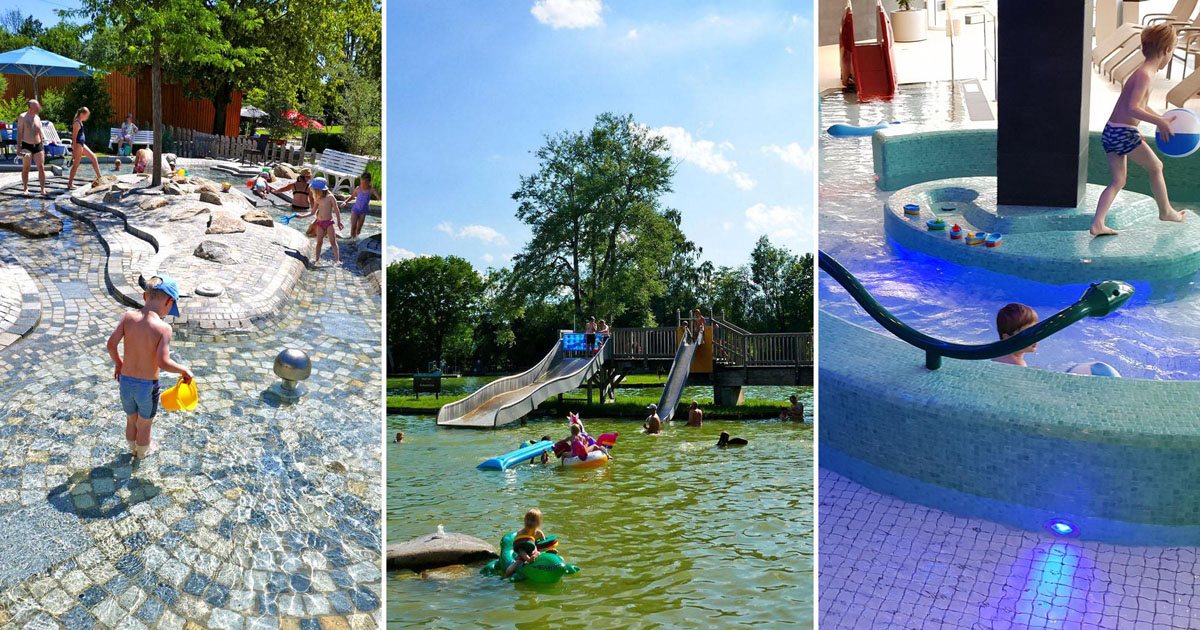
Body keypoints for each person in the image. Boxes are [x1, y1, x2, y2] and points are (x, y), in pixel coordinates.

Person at [1091, 24, 1186, 236]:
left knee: (1118, 181)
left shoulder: (1143, 72)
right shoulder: (1145, 75)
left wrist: (1160, 117)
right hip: (1124, 132)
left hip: (1112, 131)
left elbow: (1140, 106)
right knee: (1156, 166)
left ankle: (1098, 223)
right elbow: (1133, 108)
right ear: (1167, 50)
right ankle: (1166, 211)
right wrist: (1159, 123)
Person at [105, 275, 193, 459]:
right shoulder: (163, 329)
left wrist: (119, 365)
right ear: (169, 302)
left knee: (131, 420)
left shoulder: (128, 317)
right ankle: (141, 455)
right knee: (144, 425)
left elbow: (111, 345)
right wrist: (183, 370)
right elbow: (163, 362)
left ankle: (131, 450)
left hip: (126, 383)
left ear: (145, 297)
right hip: (147, 387)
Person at [295, 177, 343, 266]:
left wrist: (339, 222)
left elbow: (336, 210)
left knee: (332, 241)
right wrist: (302, 216)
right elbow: (313, 212)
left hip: (329, 223)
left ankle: (337, 260)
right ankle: (317, 260)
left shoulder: (330, 197)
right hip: (320, 223)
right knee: (319, 242)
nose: (313, 191)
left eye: (314, 190)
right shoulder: (317, 198)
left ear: (320, 189)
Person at [67, 107, 103, 190]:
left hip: (82, 144)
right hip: (78, 145)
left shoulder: (80, 121)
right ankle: (70, 184)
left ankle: (100, 178)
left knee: (94, 157)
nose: (87, 117)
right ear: (82, 114)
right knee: (76, 165)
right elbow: (74, 137)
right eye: (86, 115)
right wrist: (74, 150)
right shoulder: (77, 123)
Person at [504, 508, 546, 578]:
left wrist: (548, 549)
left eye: (532, 520)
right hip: (523, 554)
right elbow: (520, 550)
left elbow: (543, 545)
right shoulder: (521, 534)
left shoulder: (539, 533)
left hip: (535, 552)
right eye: (527, 519)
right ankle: (505, 581)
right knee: (509, 571)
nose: (529, 522)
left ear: (538, 522)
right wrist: (528, 559)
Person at [994, 303, 1039, 367]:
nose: (1035, 336)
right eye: (1028, 332)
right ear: (1008, 338)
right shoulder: (1017, 364)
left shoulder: (997, 354)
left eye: (1036, 330)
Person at [17, 99, 46, 196]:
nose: (38, 108)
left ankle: (42, 189)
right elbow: (19, 132)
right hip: (26, 146)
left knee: (41, 167)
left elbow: (39, 132)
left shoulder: (37, 118)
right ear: (30, 107)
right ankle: (25, 188)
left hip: (37, 146)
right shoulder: (22, 117)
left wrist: (42, 144)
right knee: (26, 167)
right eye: (36, 106)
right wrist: (18, 147)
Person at [348, 171, 379, 238]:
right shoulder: (358, 188)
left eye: (365, 183)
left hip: (363, 212)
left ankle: (355, 240)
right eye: (361, 183)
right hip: (355, 210)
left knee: (358, 230)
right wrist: (345, 202)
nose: (363, 185)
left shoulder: (372, 190)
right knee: (353, 227)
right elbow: (352, 196)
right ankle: (351, 242)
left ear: (369, 182)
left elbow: (380, 198)